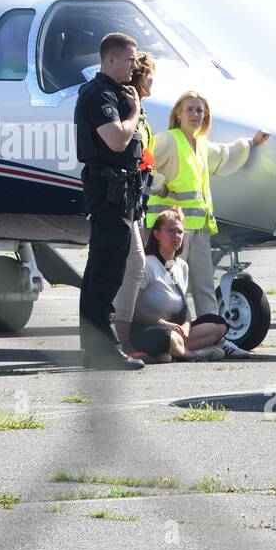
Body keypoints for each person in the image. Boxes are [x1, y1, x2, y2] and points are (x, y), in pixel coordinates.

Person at [147, 91, 271, 321]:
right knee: (172, 288)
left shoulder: (201, 145)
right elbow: (144, 164)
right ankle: (173, 338)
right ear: (178, 113)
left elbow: (226, 155)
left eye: (200, 110)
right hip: (172, 232)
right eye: (190, 109)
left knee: (204, 288)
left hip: (200, 229)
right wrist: (160, 187)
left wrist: (251, 143)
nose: (195, 114)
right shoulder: (169, 139)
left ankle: (214, 337)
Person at [74, 32, 145, 370]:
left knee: (103, 268)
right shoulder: (98, 93)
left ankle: (95, 348)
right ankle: (102, 348)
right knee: (107, 271)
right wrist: (134, 110)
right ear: (110, 59)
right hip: (108, 189)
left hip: (120, 189)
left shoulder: (115, 91)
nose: (135, 65)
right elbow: (117, 140)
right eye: (130, 59)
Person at [129, 208, 228, 363]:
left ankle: (172, 351)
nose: (176, 236)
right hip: (150, 329)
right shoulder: (147, 264)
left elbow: (185, 309)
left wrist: (187, 327)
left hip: (176, 330)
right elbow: (133, 308)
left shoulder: (182, 266)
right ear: (156, 234)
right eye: (170, 231)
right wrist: (164, 324)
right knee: (168, 338)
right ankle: (194, 354)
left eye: (180, 232)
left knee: (219, 325)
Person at [111, 51, 156, 349]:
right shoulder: (130, 107)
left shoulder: (141, 112)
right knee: (134, 263)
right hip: (125, 197)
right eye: (151, 75)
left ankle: (124, 329)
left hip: (139, 198)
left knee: (132, 266)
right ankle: (121, 335)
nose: (154, 81)